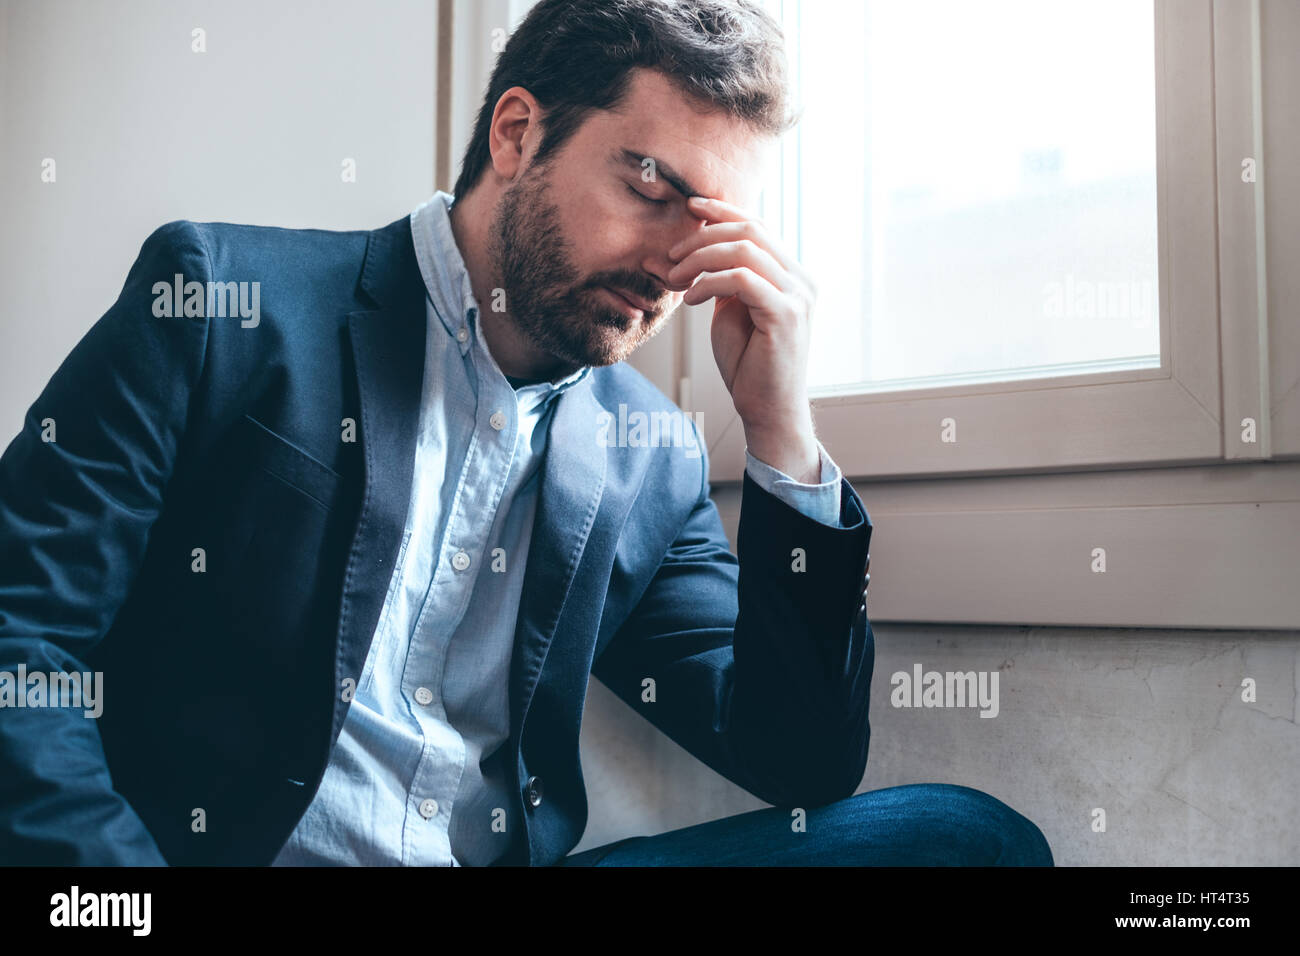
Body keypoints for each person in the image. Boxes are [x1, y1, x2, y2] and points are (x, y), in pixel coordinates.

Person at [0, 0, 1051, 867]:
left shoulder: (647, 453)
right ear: (516, 134)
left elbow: (798, 757)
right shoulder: (225, 302)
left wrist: (780, 427)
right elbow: (23, 644)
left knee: (965, 843)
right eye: (651, 187)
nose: (674, 263)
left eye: (713, 225)